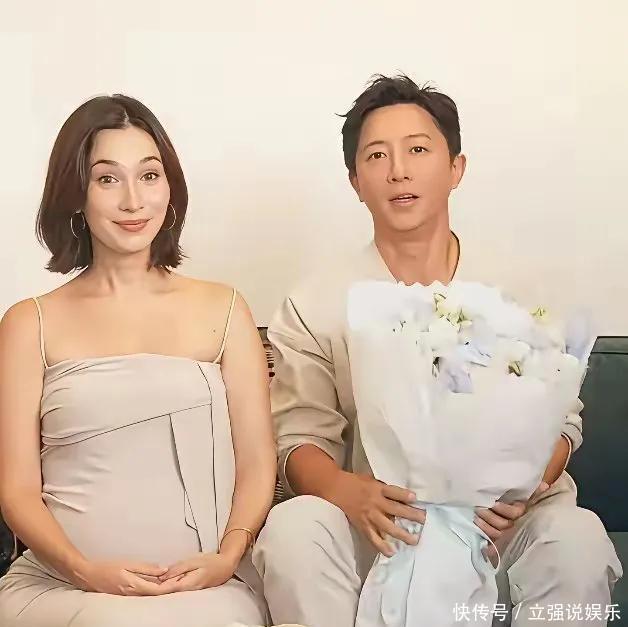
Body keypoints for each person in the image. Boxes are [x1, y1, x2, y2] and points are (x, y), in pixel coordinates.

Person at [253, 75, 623, 627]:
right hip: (382, 531)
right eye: (377, 156)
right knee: (293, 529)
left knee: (578, 539)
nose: (398, 170)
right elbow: (299, 437)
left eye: (418, 150)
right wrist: (349, 493)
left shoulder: (520, 290)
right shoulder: (315, 303)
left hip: (500, 527)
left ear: (456, 168)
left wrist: (525, 489)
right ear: (355, 181)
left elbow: (562, 421)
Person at [0, 94, 276, 627]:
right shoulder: (27, 323)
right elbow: (16, 490)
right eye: (107, 179)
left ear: (170, 189)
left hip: (205, 588)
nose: (133, 201)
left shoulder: (225, 309)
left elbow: (257, 461)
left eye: (149, 176)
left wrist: (227, 556)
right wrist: (83, 570)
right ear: (75, 194)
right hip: (61, 588)